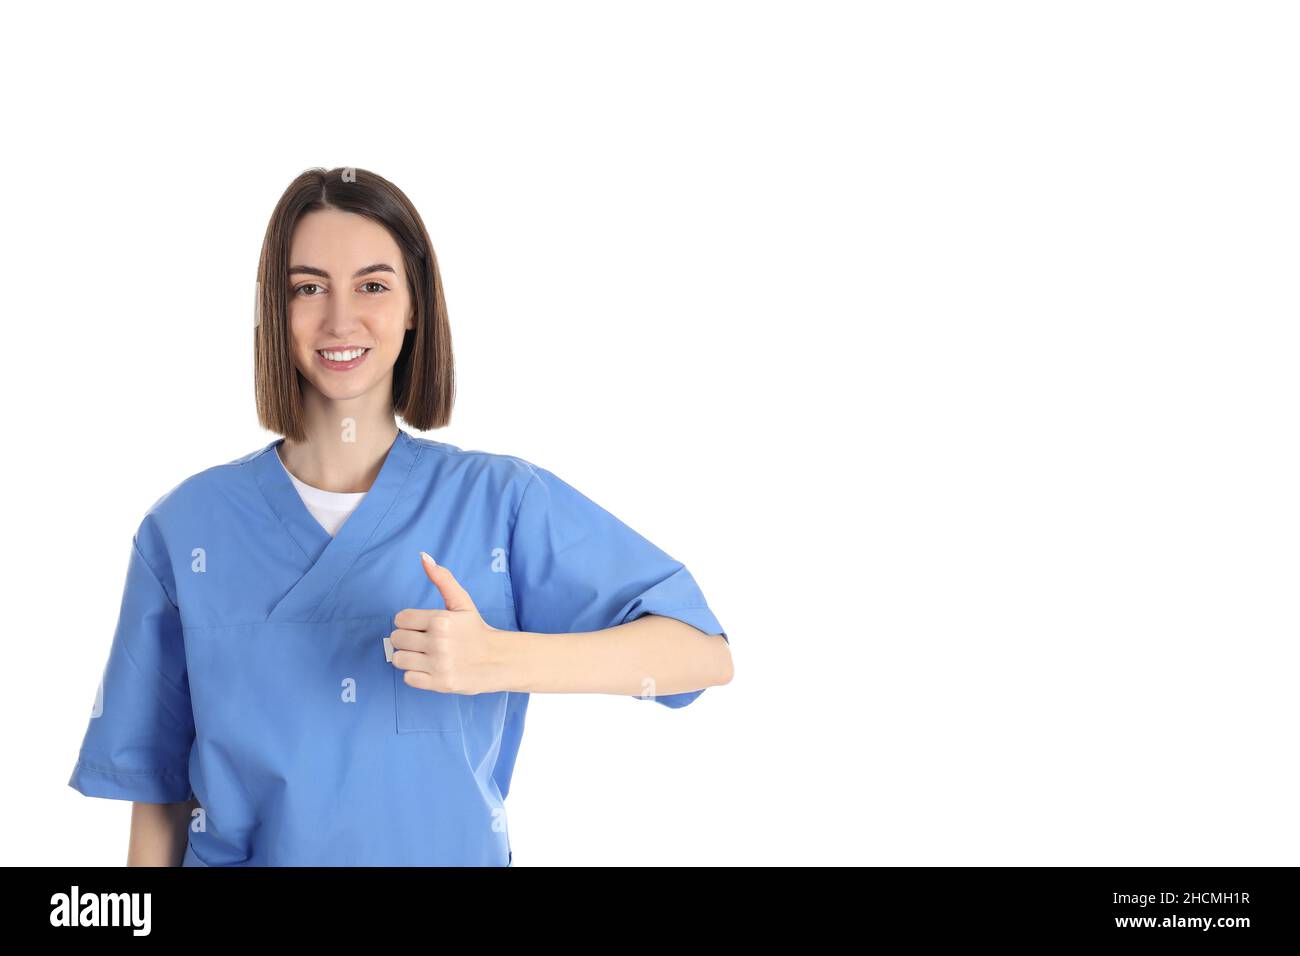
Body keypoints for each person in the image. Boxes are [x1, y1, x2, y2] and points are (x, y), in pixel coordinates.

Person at [67, 166, 733, 866]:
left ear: (416, 306)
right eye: (308, 287)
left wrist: (502, 659)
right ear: (275, 308)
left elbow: (700, 654)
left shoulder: (497, 502)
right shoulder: (187, 528)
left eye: (374, 286)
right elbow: (162, 795)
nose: (340, 319)